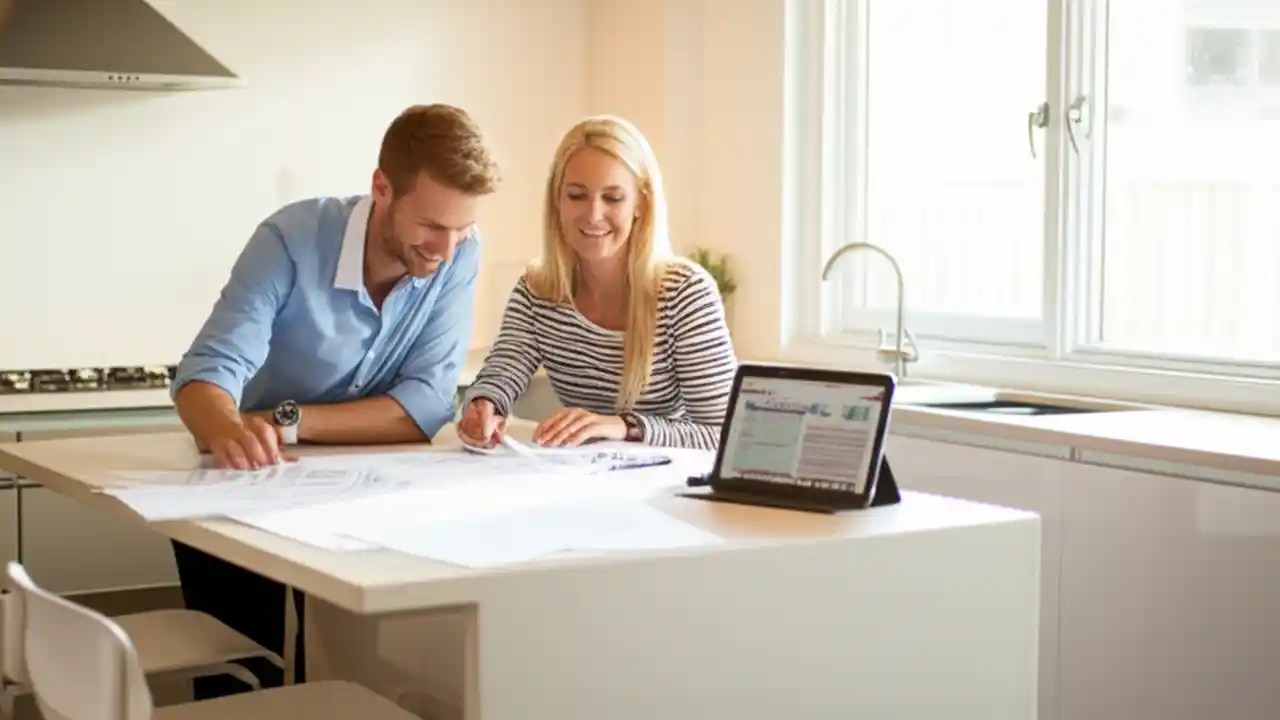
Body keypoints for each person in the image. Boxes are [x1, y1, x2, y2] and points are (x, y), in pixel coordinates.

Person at [168, 103, 500, 697]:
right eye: (431, 226)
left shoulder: (458, 254)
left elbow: (424, 406)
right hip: (246, 486)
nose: (446, 251)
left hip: (354, 499)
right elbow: (206, 378)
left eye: (463, 229)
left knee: (351, 679)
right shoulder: (290, 241)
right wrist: (228, 425)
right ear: (381, 188)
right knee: (248, 684)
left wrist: (284, 421)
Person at [457, 115, 736, 452]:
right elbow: (502, 374)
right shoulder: (537, 291)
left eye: (613, 198)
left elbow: (726, 434)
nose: (592, 214)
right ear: (557, 201)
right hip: (586, 484)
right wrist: (484, 406)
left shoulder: (686, 294)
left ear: (640, 205)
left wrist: (623, 427)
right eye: (576, 195)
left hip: (664, 492)